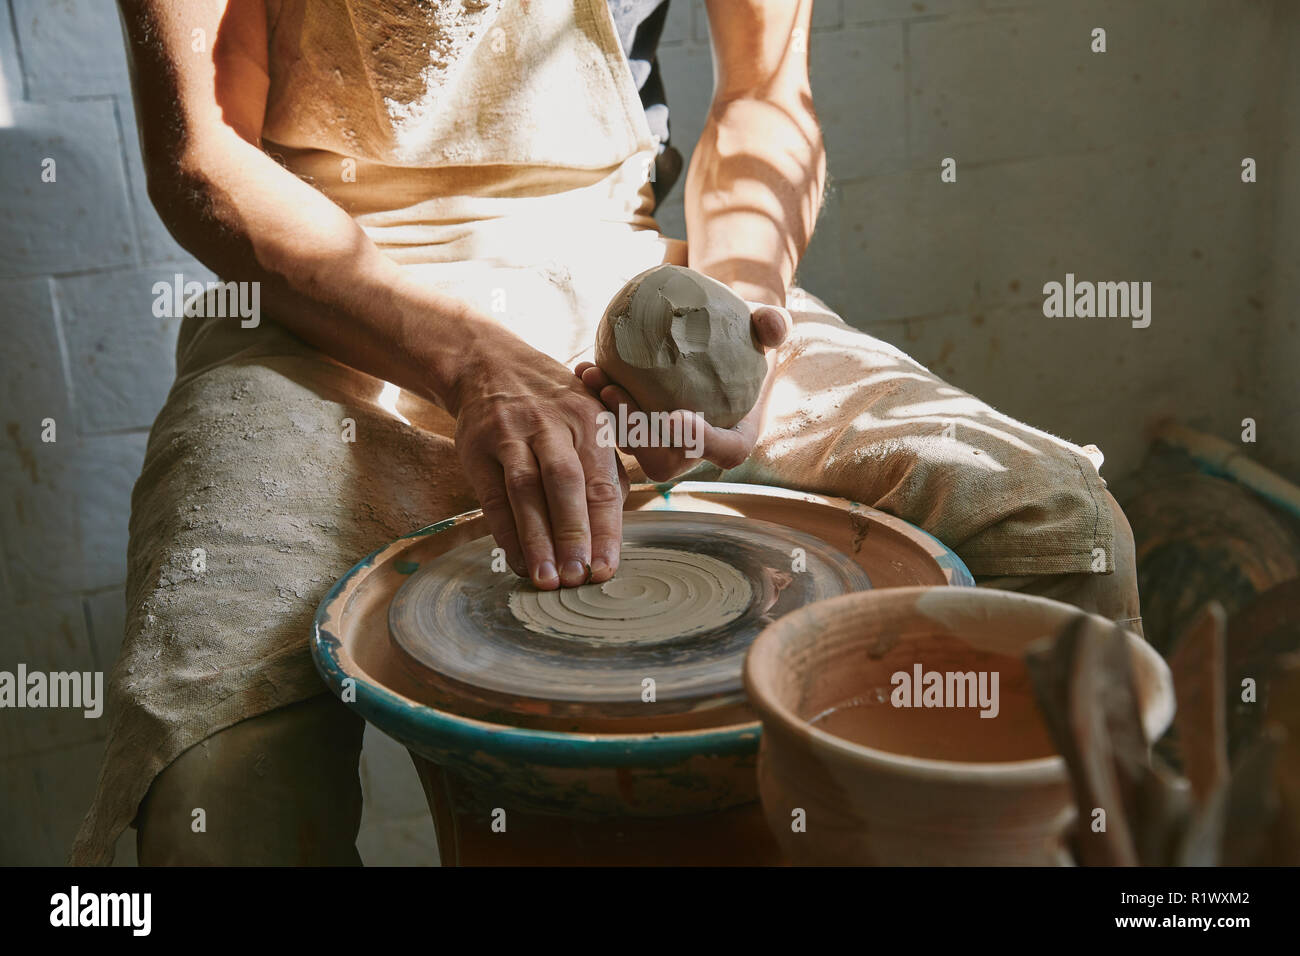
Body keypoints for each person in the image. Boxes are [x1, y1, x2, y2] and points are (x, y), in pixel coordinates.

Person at [73, 0, 1139, 865]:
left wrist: (728, 312)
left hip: (621, 267)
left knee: (1056, 529)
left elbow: (766, 95)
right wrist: (475, 361)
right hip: (331, 293)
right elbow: (201, 155)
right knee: (214, 780)